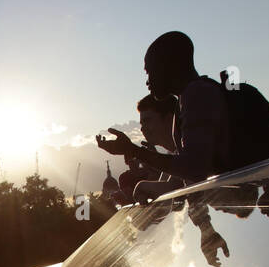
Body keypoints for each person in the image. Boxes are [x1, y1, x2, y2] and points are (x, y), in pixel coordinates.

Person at [97, 31, 231, 186]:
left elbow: (194, 168)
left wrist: (133, 150)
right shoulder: (194, 95)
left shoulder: (196, 93)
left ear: (167, 67)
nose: (147, 82)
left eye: (149, 72)